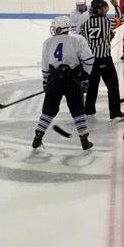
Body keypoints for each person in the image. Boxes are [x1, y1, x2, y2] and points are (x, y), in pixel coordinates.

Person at [32, 15, 94, 151]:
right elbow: (89, 60)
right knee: (78, 111)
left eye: (55, 28)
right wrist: (84, 77)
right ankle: (84, 140)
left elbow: (45, 66)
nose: (54, 30)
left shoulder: (48, 42)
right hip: (72, 81)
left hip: (54, 81)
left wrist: (45, 82)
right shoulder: (78, 39)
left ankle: (38, 137)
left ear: (60, 28)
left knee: (48, 110)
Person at [80, 0, 123, 119]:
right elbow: (121, 19)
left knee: (92, 86)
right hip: (104, 59)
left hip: (90, 61)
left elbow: (81, 39)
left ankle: (89, 109)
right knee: (113, 85)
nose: (106, 11)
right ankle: (115, 112)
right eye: (104, 9)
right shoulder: (107, 22)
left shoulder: (86, 24)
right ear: (99, 10)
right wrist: (116, 6)